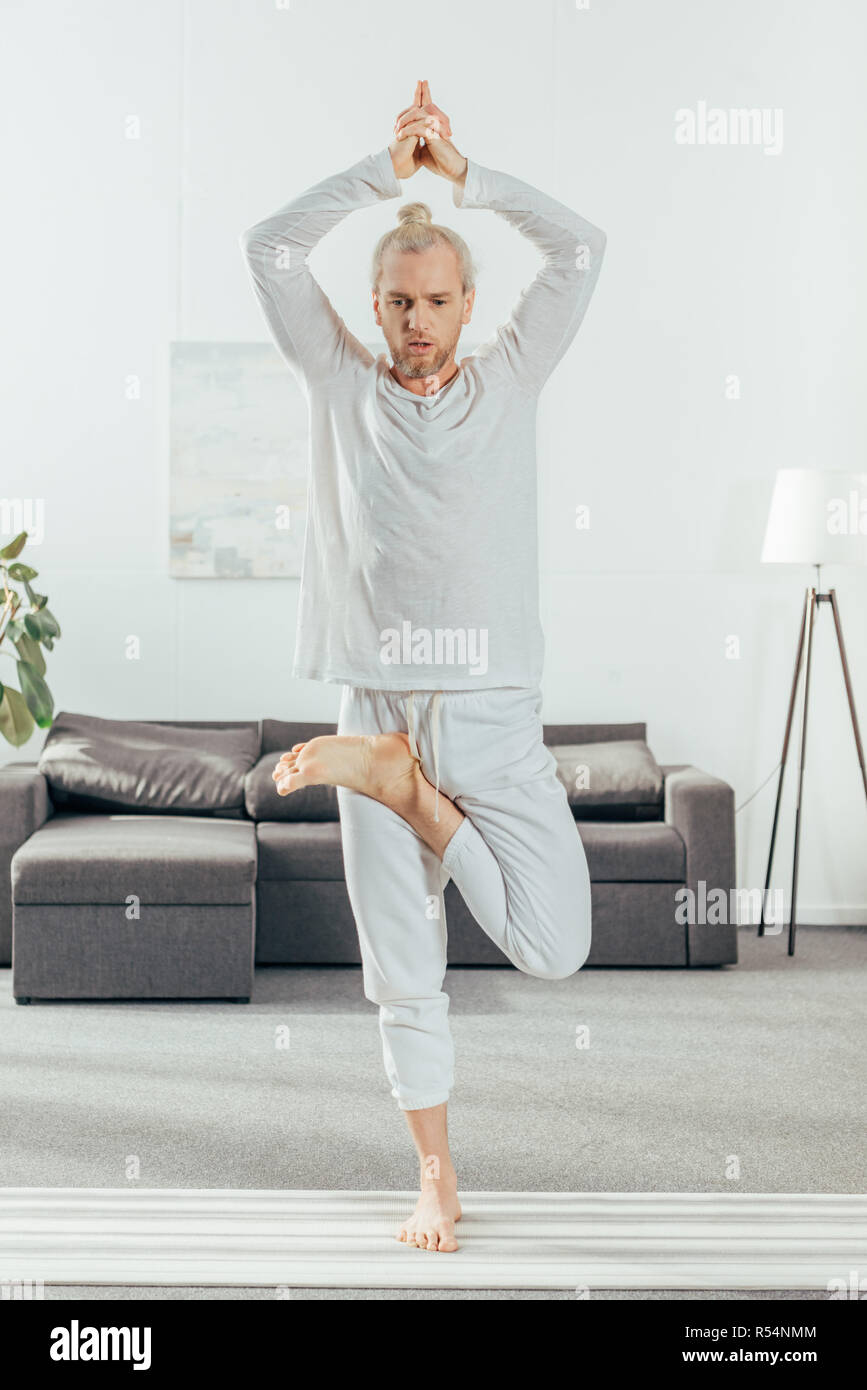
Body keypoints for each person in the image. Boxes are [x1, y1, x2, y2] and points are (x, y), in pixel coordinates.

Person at [239, 80, 606, 1254]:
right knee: (405, 971)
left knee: (557, 944)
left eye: (438, 300)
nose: (416, 322)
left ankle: (407, 789)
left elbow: (583, 247)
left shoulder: (511, 382)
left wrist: (458, 176)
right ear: (376, 302)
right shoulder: (341, 383)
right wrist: (374, 171)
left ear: (467, 302)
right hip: (374, 699)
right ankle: (436, 1178)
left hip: (490, 711)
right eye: (397, 300)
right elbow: (269, 244)